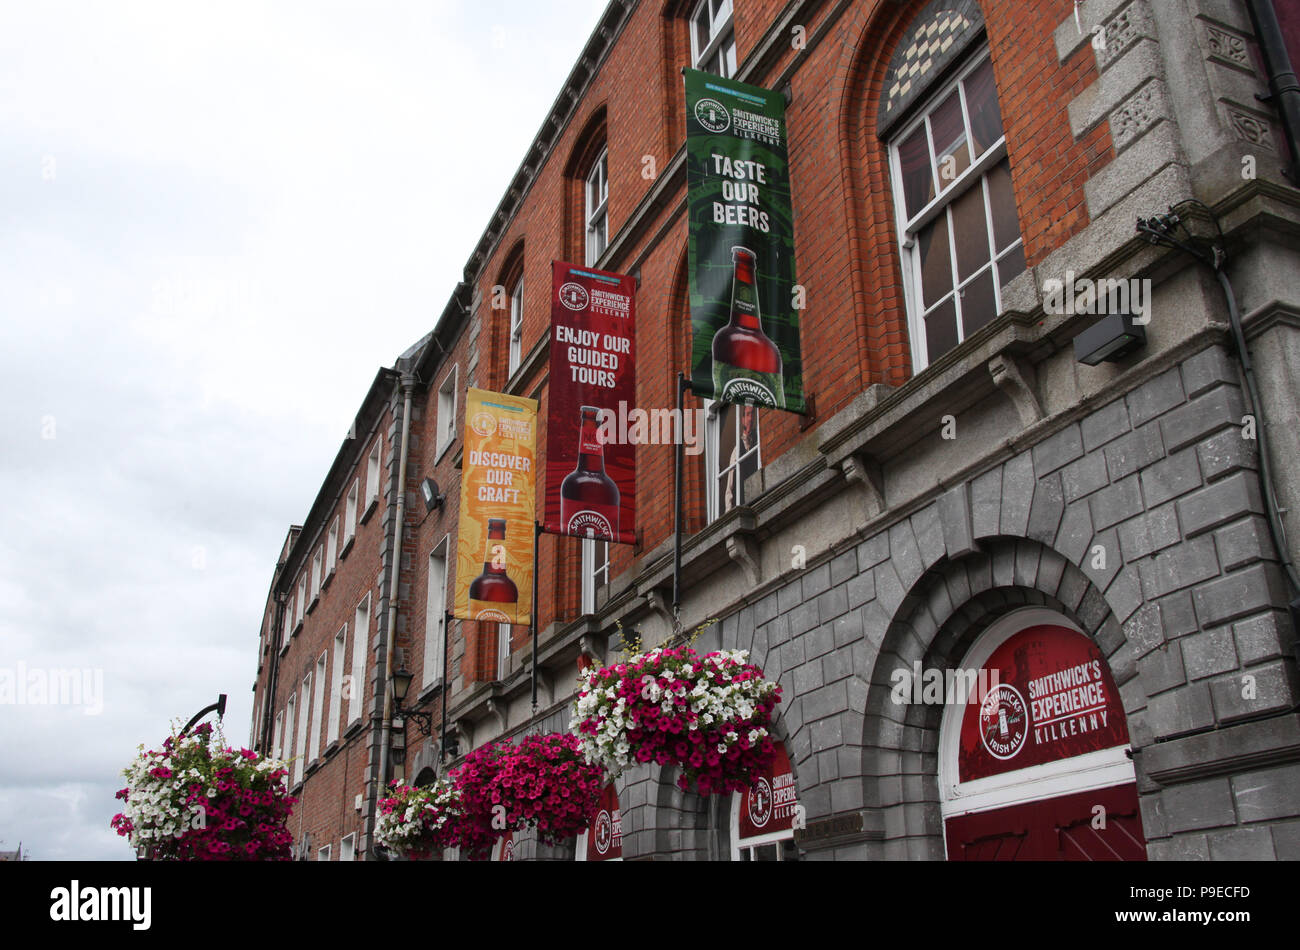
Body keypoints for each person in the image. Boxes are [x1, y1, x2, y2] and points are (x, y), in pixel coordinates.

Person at [723, 403, 759, 512]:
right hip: (744, 505)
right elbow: (730, 487)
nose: (750, 418)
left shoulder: (758, 440)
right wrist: (728, 511)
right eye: (748, 414)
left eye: (752, 414)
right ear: (742, 419)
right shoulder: (736, 450)